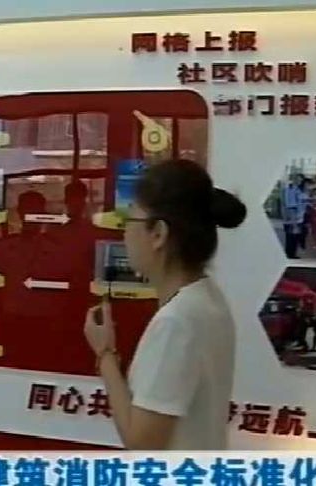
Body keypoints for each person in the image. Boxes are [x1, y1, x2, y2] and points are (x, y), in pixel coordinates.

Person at [82, 159, 246, 449]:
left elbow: (142, 442)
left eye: (129, 221)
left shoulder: (177, 321)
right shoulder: (207, 298)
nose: (124, 233)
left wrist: (105, 354)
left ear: (158, 233)